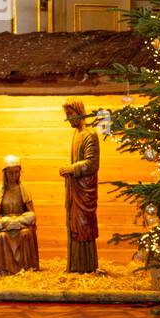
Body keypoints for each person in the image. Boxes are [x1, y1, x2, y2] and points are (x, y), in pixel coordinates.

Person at [59, 98, 100, 273]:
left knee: (83, 226)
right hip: (76, 189)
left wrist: (72, 169)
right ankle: (76, 265)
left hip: (85, 190)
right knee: (75, 225)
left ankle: (86, 266)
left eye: (70, 114)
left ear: (79, 112)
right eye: (66, 115)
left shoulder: (89, 135)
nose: (68, 119)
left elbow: (92, 164)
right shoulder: (77, 134)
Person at [0, 154, 39, 276]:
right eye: (10, 172)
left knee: (26, 233)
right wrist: (4, 221)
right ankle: (5, 270)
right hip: (6, 225)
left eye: (16, 172)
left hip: (21, 223)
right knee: (1, 236)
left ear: (19, 172)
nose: (13, 175)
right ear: (5, 173)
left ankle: (27, 269)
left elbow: (32, 214)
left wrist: (19, 221)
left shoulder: (24, 189)